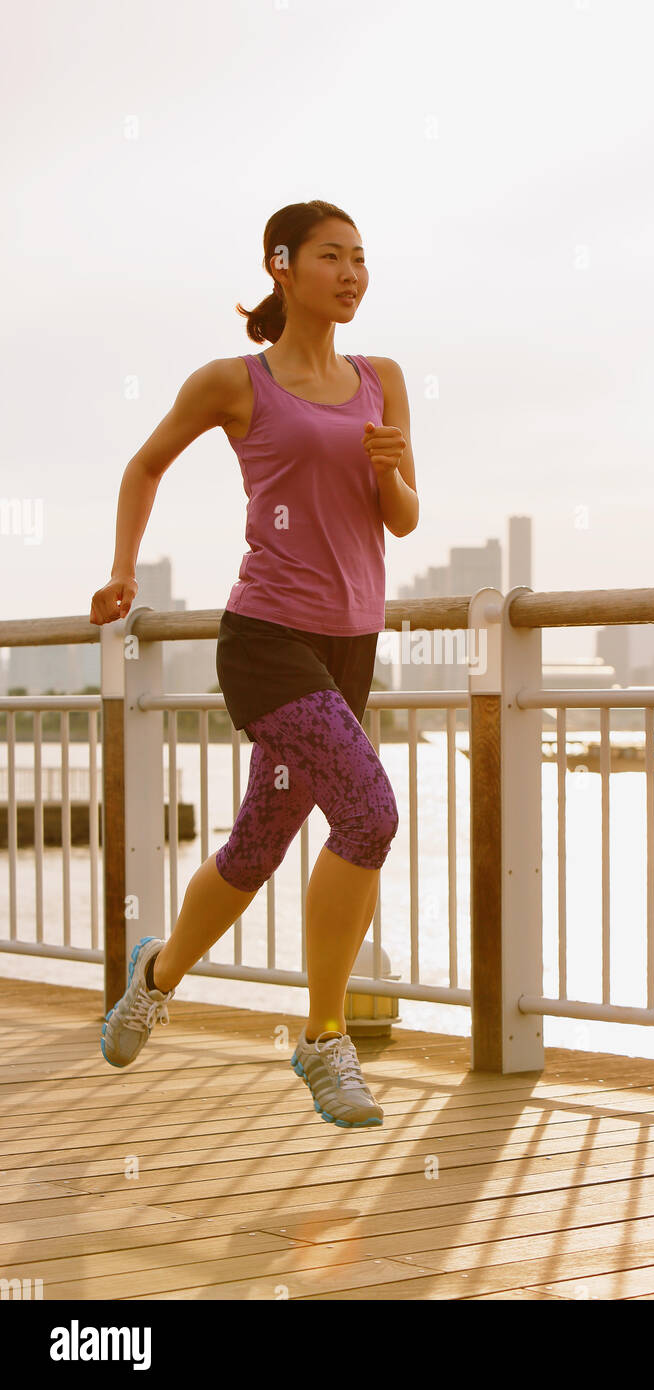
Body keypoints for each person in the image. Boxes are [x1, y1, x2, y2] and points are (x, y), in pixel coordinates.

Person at [90, 199, 419, 1128]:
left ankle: (154, 974)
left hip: (351, 644)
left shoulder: (381, 377)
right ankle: (323, 1040)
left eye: (362, 259)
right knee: (371, 809)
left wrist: (393, 466)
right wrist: (121, 574)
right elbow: (146, 464)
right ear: (281, 265)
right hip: (269, 640)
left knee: (257, 843)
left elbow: (401, 518)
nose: (353, 273)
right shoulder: (235, 382)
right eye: (332, 257)